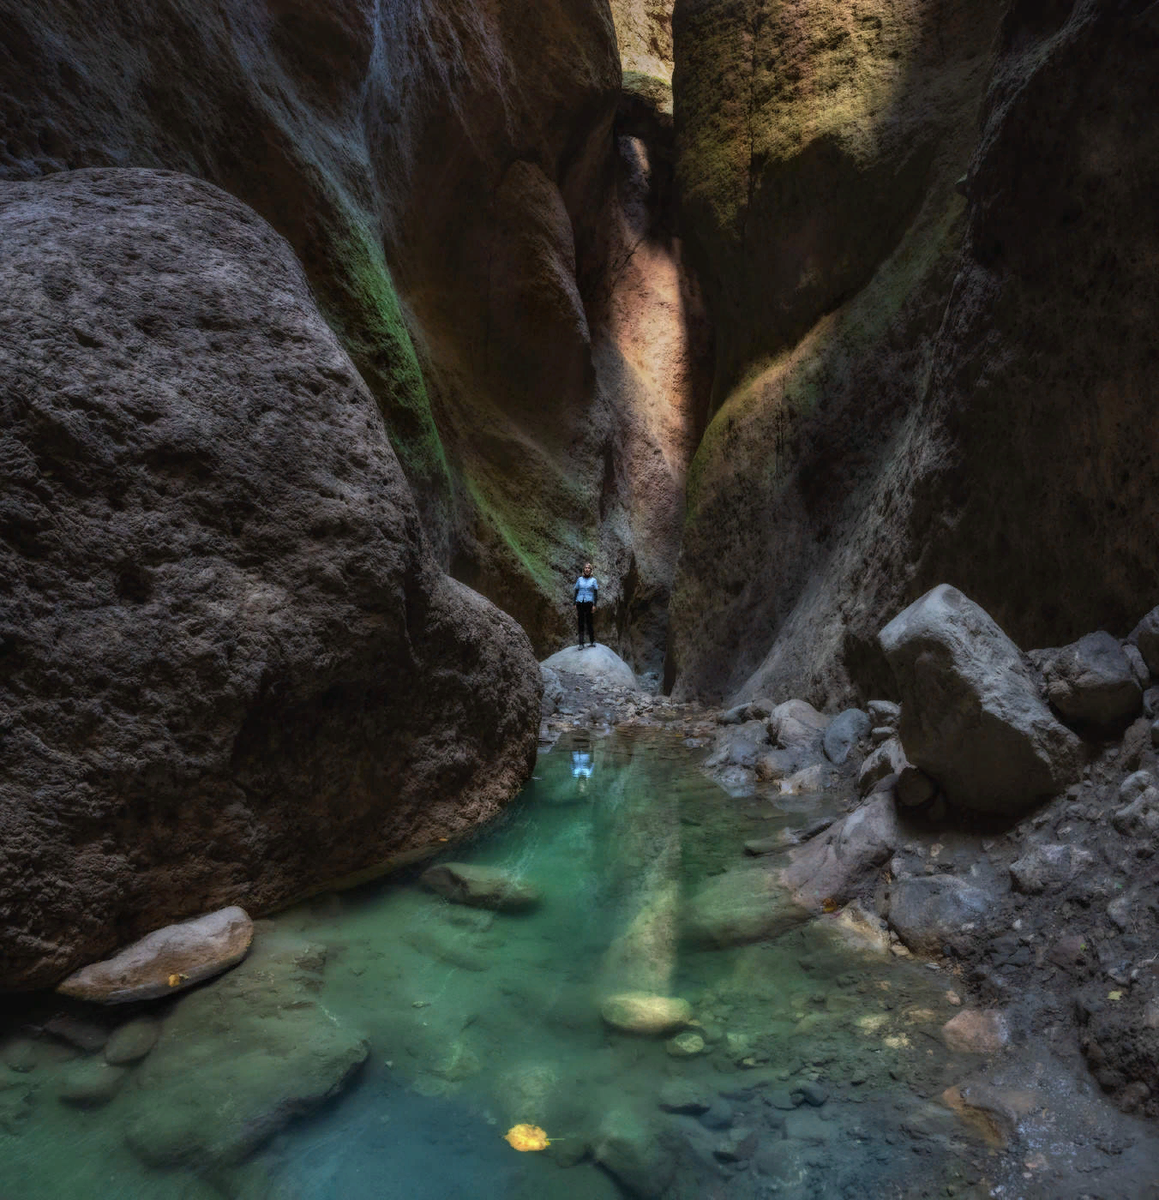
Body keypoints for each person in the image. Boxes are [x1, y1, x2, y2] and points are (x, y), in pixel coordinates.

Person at [574, 562, 598, 648]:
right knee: (580, 623)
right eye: (585, 568)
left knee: (589, 622)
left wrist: (594, 605)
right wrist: (574, 603)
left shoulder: (593, 580)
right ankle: (581, 643)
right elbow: (576, 591)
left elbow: (595, 593)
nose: (587, 569)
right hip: (580, 602)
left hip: (589, 603)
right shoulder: (579, 579)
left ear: (591, 570)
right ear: (583, 569)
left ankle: (592, 641)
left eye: (589, 568)